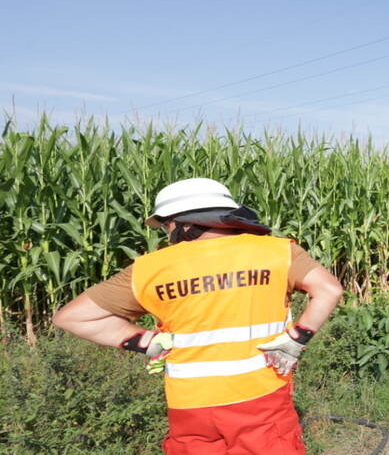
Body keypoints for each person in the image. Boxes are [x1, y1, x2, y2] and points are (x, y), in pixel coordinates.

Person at [52, 178, 343, 454]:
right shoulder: (277, 252)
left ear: (185, 225)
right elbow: (329, 290)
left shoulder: (149, 268)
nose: (167, 233)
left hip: (189, 407)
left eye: (166, 226)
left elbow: (72, 317)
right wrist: (296, 340)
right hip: (260, 397)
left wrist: (146, 342)